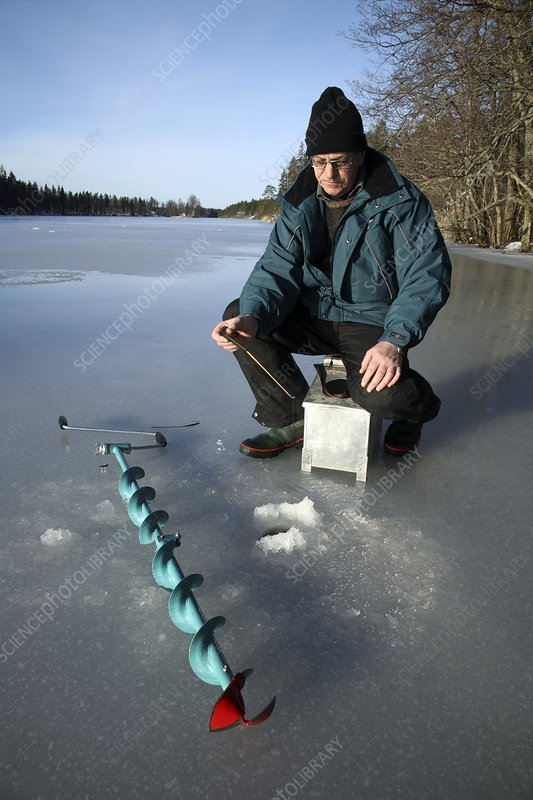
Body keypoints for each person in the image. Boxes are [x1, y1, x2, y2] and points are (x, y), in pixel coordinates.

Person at [212, 86, 452, 459]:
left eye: (340, 161)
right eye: (319, 162)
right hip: (315, 315)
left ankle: (417, 410)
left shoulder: (400, 201)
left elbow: (426, 275)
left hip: (370, 320)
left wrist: (394, 341)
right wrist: (253, 314)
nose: (329, 174)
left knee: (383, 398)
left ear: (360, 155)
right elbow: (276, 269)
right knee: (239, 317)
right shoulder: (299, 203)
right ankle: (293, 417)